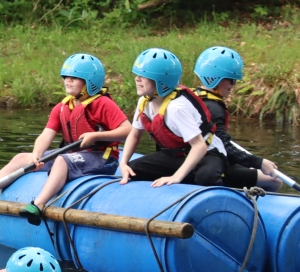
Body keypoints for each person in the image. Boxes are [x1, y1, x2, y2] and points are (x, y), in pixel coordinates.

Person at [0, 53, 132, 225]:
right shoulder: (62, 107)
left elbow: (127, 130)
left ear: (90, 82)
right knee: (22, 158)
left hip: (103, 159)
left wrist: (95, 136)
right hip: (74, 155)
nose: (68, 81)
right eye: (66, 77)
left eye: (74, 78)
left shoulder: (102, 104)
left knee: (61, 160)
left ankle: (39, 205)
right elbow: (46, 134)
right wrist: (37, 154)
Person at [117, 47, 227, 188]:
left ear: (162, 80)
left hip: (208, 154)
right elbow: (135, 134)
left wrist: (176, 177)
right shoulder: (143, 102)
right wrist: (124, 163)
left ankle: (228, 177)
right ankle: (186, 174)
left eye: (143, 75)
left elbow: (199, 146)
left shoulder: (176, 108)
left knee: (205, 177)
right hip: (177, 155)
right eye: (137, 75)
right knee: (133, 170)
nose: (137, 79)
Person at [192, 46, 283, 191]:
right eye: (231, 80)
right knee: (275, 181)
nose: (233, 85)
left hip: (193, 158)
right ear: (216, 79)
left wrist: (249, 163)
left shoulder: (192, 98)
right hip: (207, 163)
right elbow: (224, 148)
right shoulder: (214, 108)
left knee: (248, 167)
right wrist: (259, 162)